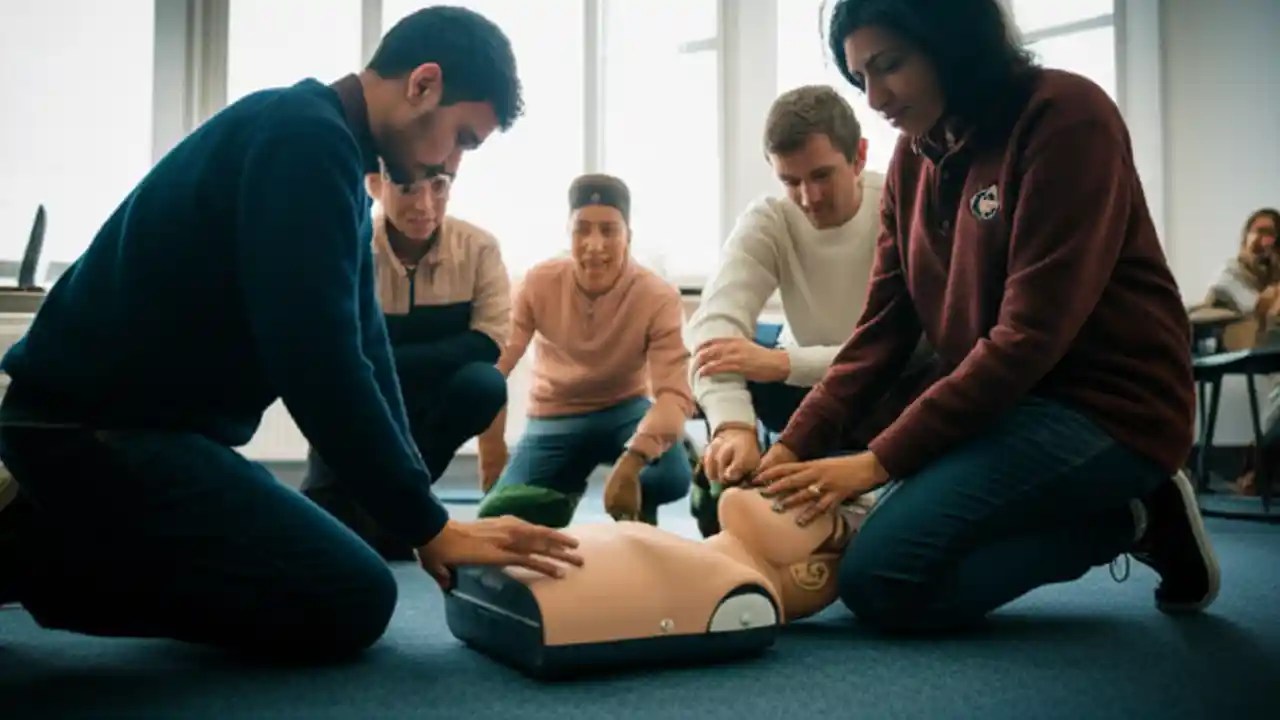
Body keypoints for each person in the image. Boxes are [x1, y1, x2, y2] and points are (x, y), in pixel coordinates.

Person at [0, 6, 581, 661]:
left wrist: (421, 516)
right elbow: (319, 364)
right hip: (86, 433)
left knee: (346, 575)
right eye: (462, 138)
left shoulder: (327, 155)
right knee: (349, 597)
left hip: (144, 433)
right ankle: (27, 552)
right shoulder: (304, 142)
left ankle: (52, 526)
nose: (455, 162)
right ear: (423, 84)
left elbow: (367, 352)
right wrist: (424, 520)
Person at [740, 0, 1219, 633]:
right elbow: (880, 329)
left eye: (890, 66)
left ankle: (1129, 516)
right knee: (889, 546)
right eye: (861, 78)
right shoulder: (914, 159)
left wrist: (877, 462)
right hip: (1005, 408)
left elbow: (1027, 338)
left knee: (881, 579)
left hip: (1107, 410)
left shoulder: (1066, 118)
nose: (876, 97)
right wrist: (796, 444)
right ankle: (1095, 507)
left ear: (950, 39)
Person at [686, 85, 936, 536]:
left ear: (859, 156)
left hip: (896, 388)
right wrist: (732, 426)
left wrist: (785, 362)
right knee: (728, 358)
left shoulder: (899, 204)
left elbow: (915, 346)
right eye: (790, 180)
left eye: (822, 176)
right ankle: (735, 467)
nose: (808, 197)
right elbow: (712, 327)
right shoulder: (769, 219)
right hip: (815, 395)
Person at [301, 157, 513, 561]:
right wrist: (373, 365)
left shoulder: (479, 247)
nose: (425, 204)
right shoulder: (348, 244)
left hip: (430, 402)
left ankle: (404, 497)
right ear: (376, 185)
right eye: (407, 189)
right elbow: (331, 347)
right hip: (359, 399)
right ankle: (380, 506)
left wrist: (384, 357)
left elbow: (488, 341)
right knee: (326, 534)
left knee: (484, 385)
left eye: (438, 187)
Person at [476, 174, 695, 527]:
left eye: (609, 230)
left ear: (628, 237)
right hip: (554, 415)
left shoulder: (658, 295)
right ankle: (562, 492)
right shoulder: (539, 282)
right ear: (569, 234)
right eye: (583, 230)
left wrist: (634, 461)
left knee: (669, 477)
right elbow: (493, 369)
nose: (595, 245)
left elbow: (675, 394)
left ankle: (640, 509)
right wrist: (491, 451)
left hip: (625, 410)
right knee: (501, 515)